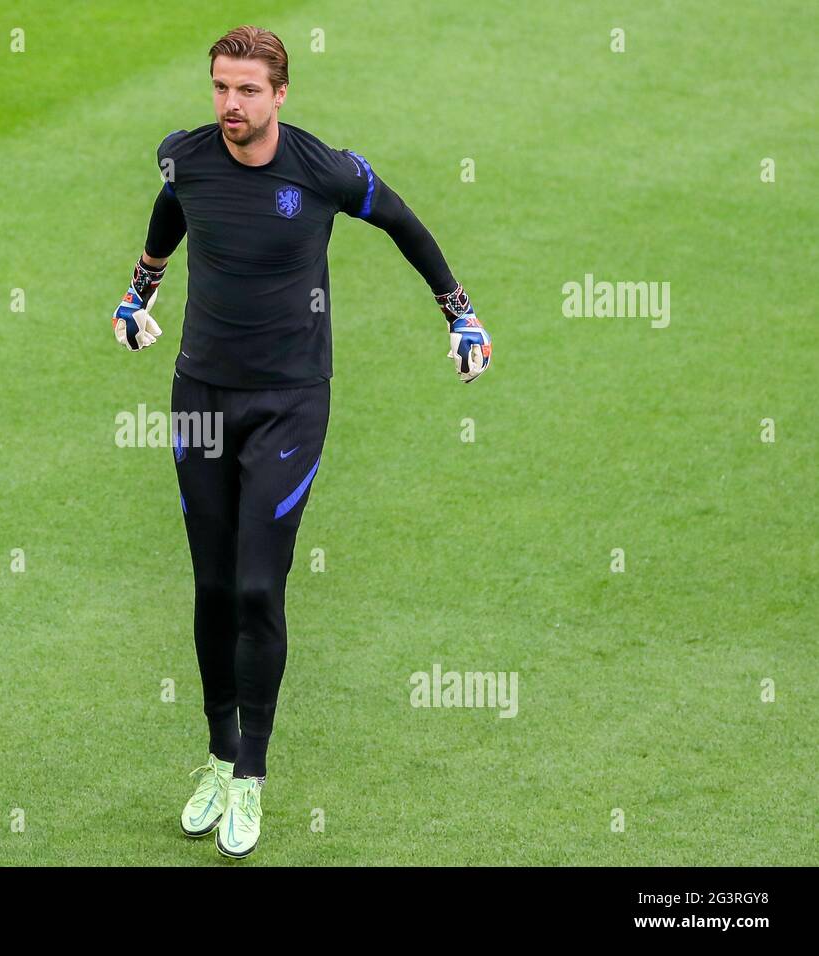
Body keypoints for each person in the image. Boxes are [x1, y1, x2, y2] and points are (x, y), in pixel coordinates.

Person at [111, 24, 492, 860]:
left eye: (248, 90)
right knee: (211, 585)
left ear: (281, 94)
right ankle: (214, 757)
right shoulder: (187, 157)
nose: (231, 105)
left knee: (256, 587)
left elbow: (402, 223)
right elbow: (171, 210)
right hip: (200, 395)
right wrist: (138, 294)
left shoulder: (323, 170)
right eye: (220, 87)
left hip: (288, 404)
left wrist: (459, 312)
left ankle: (251, 774)